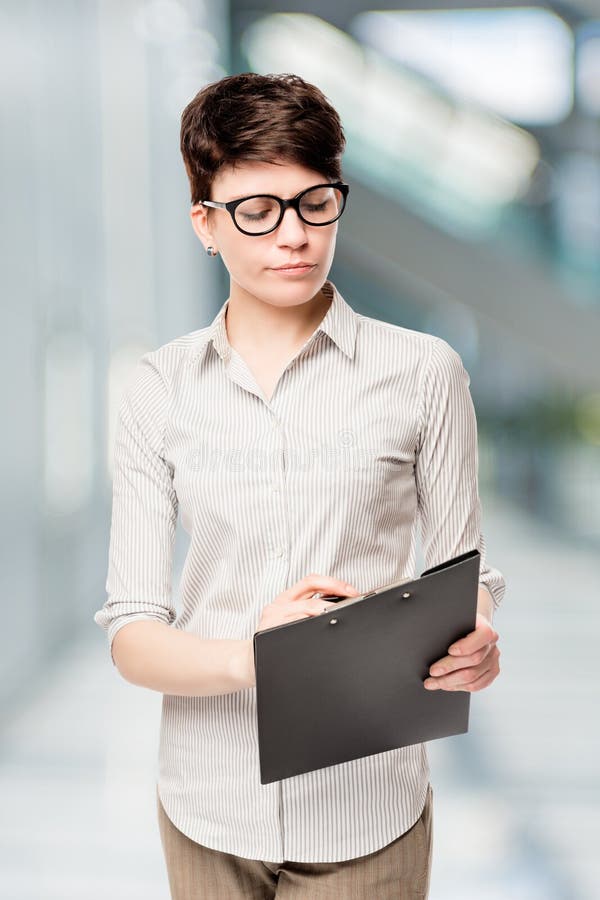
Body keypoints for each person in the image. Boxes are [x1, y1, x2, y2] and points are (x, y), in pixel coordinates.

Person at [93, 71, 505, 899]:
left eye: (315, 202)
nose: (294, 235)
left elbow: (465, 576)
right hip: (209, 802)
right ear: (204, 225)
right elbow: (132, 632)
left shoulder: (424, 373)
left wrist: (475, 641)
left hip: (368, 805)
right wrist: (264, 657)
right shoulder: (158, 387)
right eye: (257, 210)